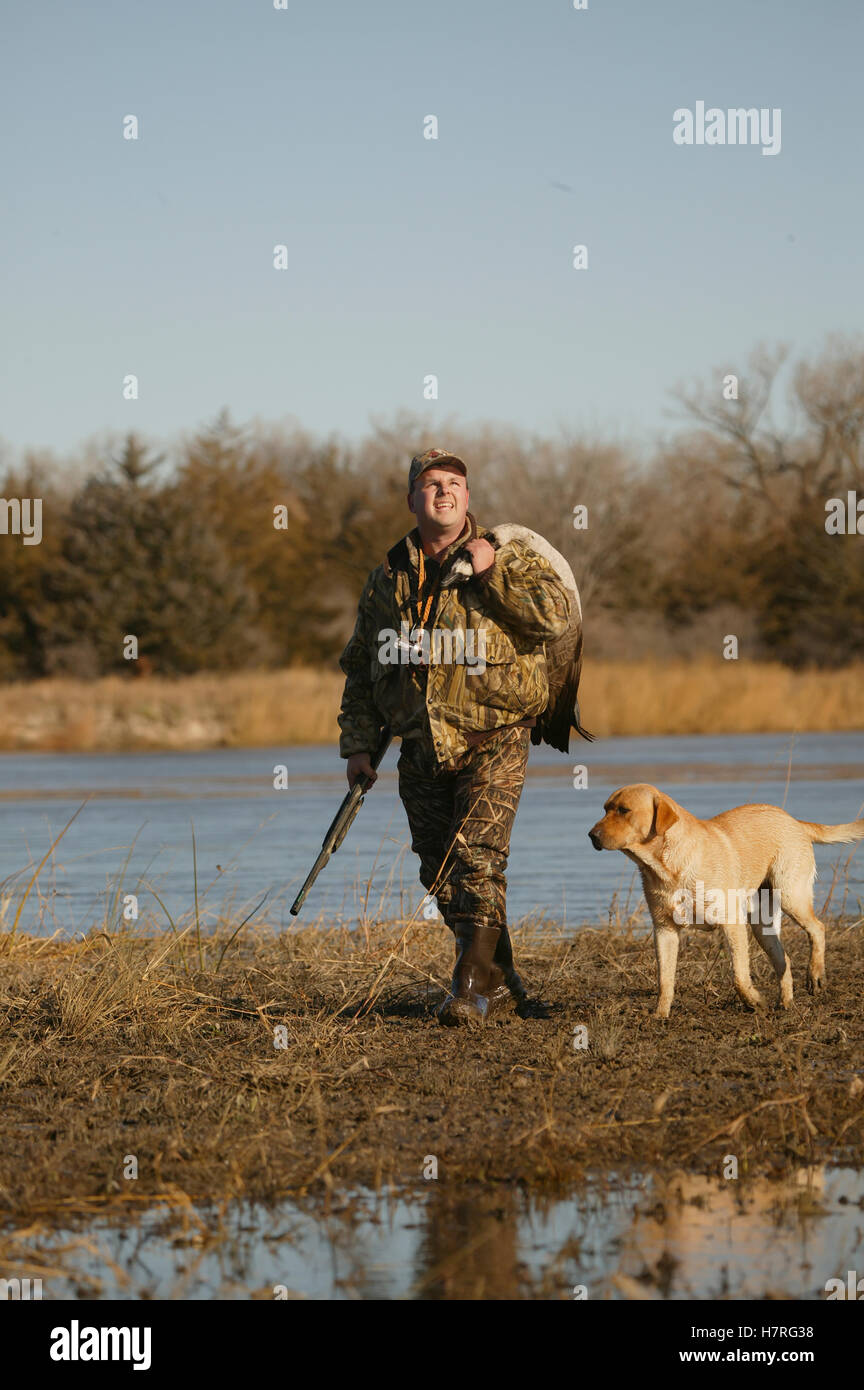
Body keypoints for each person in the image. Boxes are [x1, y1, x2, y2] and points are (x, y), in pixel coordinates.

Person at [337, 447, 571, 1026]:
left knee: (478, 859)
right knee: (438, 874)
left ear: (467, 497)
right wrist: (360, 746)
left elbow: (555, 617)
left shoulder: (508, 555)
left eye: (454, 483)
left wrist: (492, 571)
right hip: (421, 747)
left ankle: (468, 990)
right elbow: (363, 668)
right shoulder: (387, 579)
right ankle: (503, 976)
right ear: (411, 498)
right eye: (430, 483)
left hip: (495, 735)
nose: (443, 491)